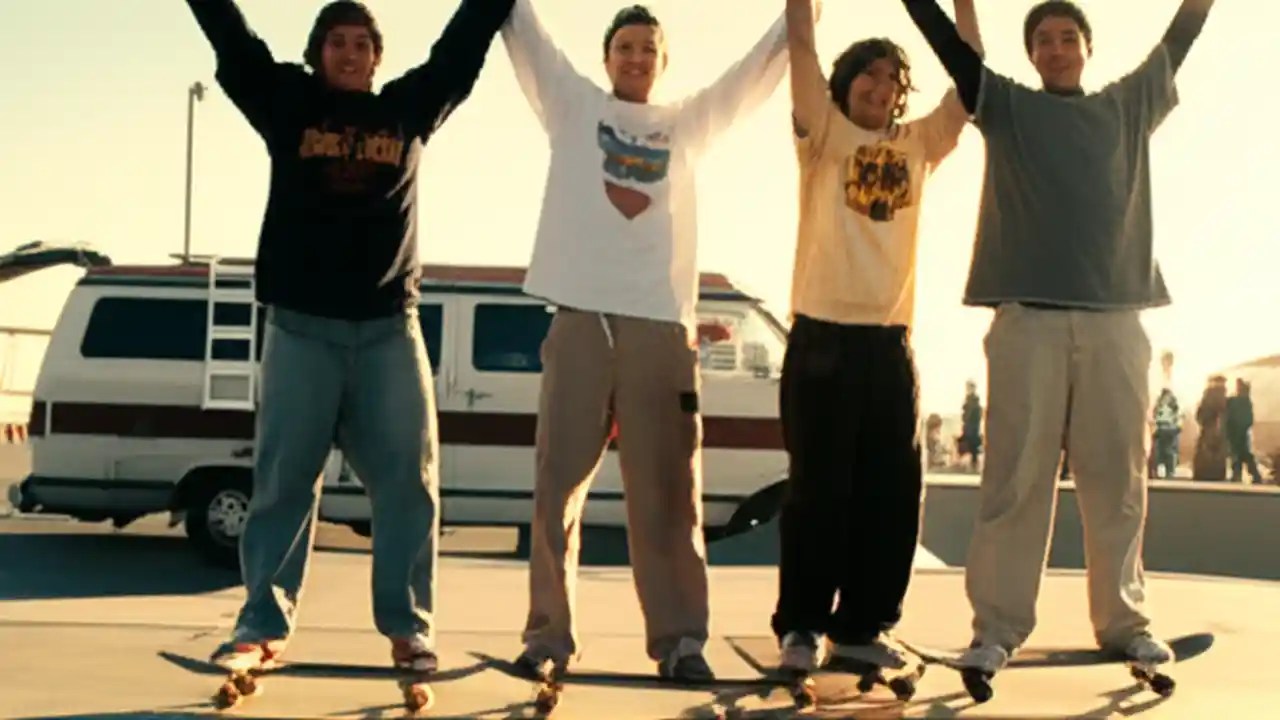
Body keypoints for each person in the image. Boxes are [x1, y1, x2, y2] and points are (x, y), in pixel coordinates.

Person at [183, 0, 515, 674]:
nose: (349, 52)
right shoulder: (286, 103)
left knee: (410, 485)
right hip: (301, 331)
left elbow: (463, 45)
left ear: (376, 57)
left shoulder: (409, 108)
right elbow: (232, 37)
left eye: (361, 43)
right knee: (283, 483)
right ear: (317, 52)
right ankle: (260, 627)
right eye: (336, 42)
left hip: (390, 330)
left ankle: (409, 629)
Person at [900, 0, 1219, 688]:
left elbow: (1183, 33)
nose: (1055, 47)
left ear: (1086, 48)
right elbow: (948, 48)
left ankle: (1127, 626)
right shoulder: (1008, 106)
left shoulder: (1129, 104)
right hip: (1028, 323)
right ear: (1031, 54)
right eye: (1042, 39)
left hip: (1115, 320)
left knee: (1119, 485)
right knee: (1015, 481)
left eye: (1067, 36)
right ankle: (996, 631)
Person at [499, 0, 791, 681]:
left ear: (664, 63)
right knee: (555, 488)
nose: (635, 58)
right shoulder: (571, 106)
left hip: (660, 327)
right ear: (606, 58)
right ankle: (547, 640)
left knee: (667, 492)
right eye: (624, 47)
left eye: (648, 49)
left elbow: (755, 73)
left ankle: (681, 641)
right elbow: (525, 33)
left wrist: (797, 19)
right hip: (579, 322)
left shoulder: (686, 124)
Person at [771, 0, 982, 674]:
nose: (881, 87)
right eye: (868, 75)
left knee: (891, 495)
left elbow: (970, 76)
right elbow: (800, 42)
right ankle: (801, 626)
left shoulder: (918, 145)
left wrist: (964, 5)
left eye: (892, 80)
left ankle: (861, 627)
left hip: (890, 345)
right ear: (844, 83)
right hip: (822, 339)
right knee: (817, 492)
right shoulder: (823, 134)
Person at [1226, 378, 1263, 483]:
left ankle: (1246, 475)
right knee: (1240, 455)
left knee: (1241, 455)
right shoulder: (1238, 401)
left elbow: (1248, 419)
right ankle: (1245, 475)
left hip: (1239, 433)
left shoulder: (1239, 401)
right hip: (1238, 432)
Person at [1150, 387, 1182, 478]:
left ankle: (1163, 471)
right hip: (1168, 430)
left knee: (1163, 452)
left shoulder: (1161, 403)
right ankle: (1169, 471)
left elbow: (1156, 415)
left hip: (1163, 430)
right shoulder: (1171, 403)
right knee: (1168, 452)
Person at [961, 380, 983, 471]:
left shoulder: (973, 401)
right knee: (970, 448)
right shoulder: (970, 400)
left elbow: (970, 415)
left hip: (972, 428)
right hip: (971, 427)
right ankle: (971, 465)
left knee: (972, 447)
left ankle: (972, 465)